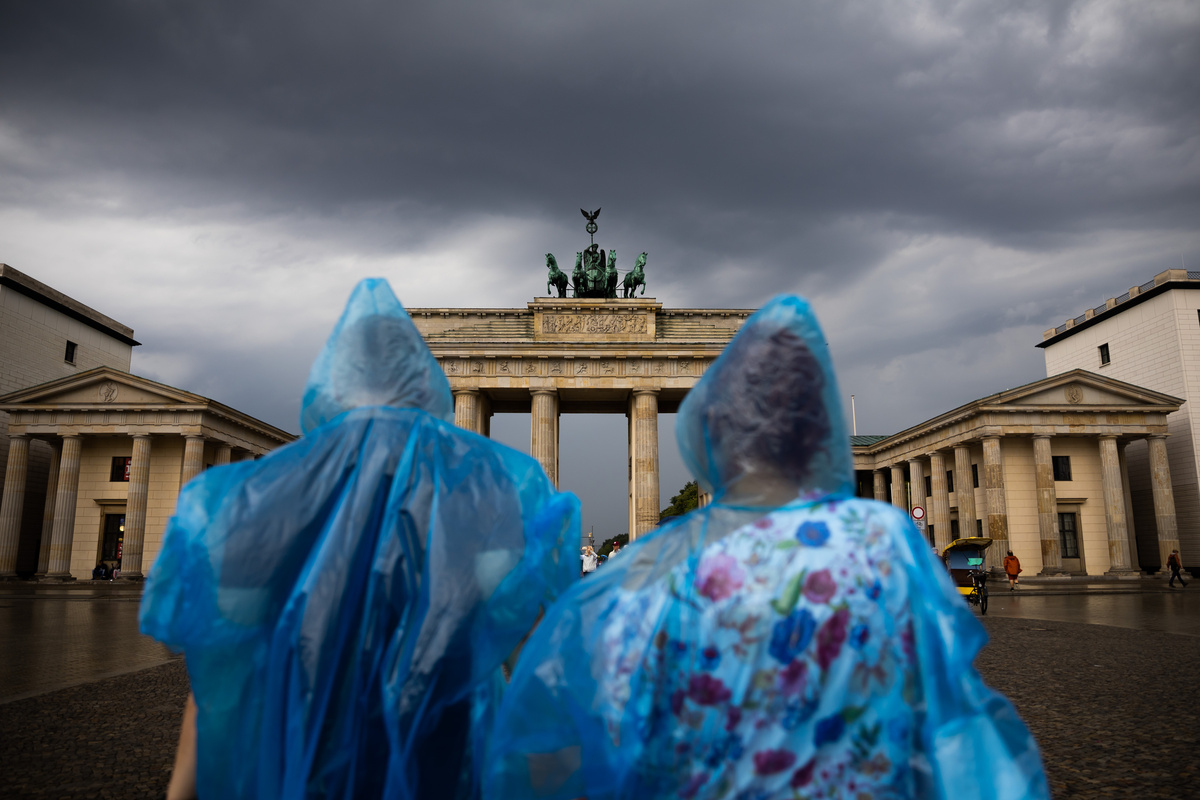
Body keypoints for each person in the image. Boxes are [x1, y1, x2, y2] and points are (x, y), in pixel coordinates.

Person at [485, 295, 1050, 800]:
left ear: (709, 435)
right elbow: (959, 728)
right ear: (814, 432)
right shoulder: (883, 544)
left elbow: (563, 743)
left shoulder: (648, 571)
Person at [140, 279, 580, 800]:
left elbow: (216, 670)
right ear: (424, 383)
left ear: (333, 381)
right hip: (442, 758)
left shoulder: (241, 498)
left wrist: (180, 792)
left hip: (294, 756)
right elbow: (532, 664)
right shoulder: (493, 490)